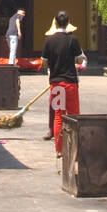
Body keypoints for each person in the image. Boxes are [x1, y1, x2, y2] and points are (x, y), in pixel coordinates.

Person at [39, 11, 85, 156]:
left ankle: (59, 150)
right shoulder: (73, 40)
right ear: (68, 22)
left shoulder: (49, 41)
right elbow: (79, 60)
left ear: (56, 22)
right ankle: (74, 149)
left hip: (56, 83)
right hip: (70, 82)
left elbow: (44, 63)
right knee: (73, 116)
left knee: (58, 116)